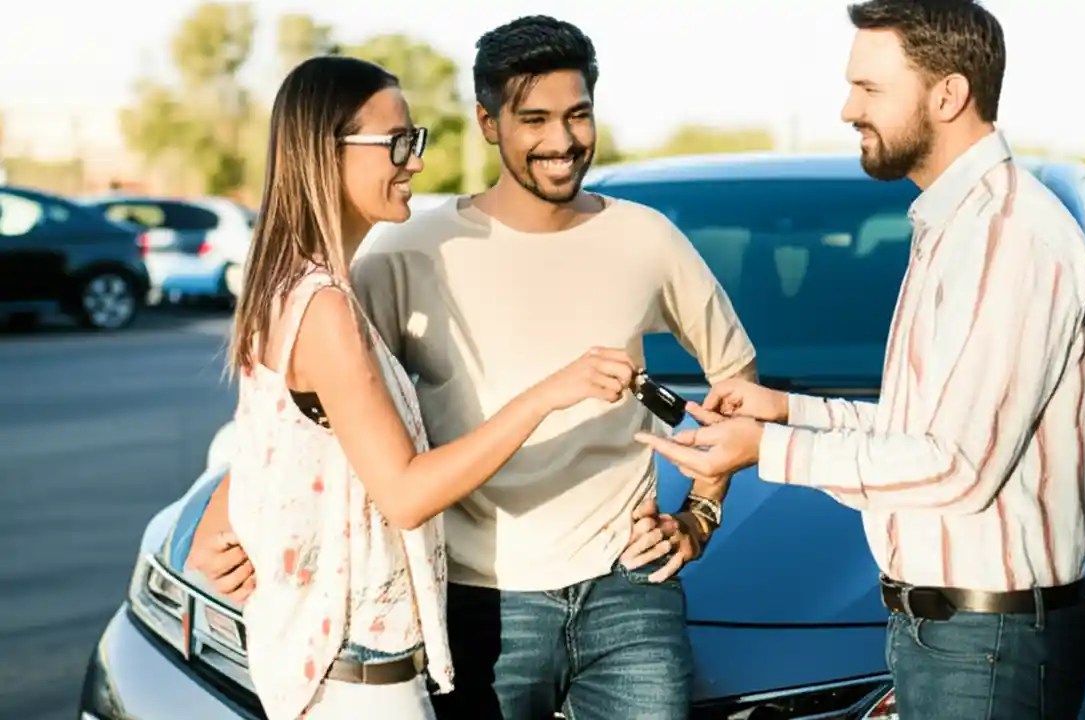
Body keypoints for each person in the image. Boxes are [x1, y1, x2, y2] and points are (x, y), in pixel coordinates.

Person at [192, 15, 758, 720]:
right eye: (536, 118)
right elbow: (301, 403)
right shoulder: (405, 252)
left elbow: (739, 387)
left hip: (629, 591)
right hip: (476, 599)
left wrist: (699, 515)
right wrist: (226, 521)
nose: (562, 140)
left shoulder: (647, 238)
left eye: (578, 115)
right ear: (489, 124)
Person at [637, 1, 1085, 718]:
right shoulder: (952, 226)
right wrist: (788, 408)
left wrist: (767, 449)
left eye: (870, 89)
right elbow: (921, 426)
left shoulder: (1009, 241)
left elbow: (956, 465)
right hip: (948, 635)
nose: (848, 108)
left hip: (986, 648)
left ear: (948, 95)